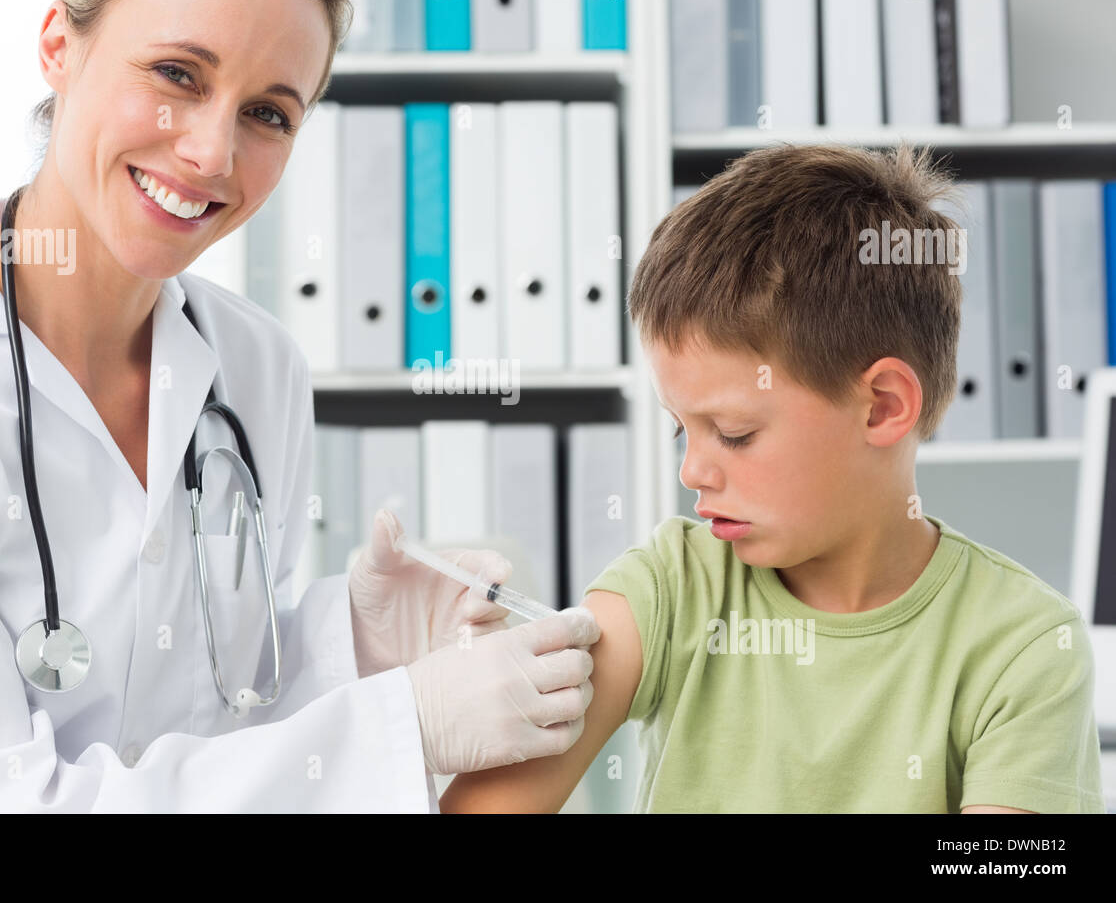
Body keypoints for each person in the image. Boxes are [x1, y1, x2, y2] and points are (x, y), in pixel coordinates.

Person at [0, 0, 598, 812]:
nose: (211, 152)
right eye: (178, 74)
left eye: (268, 112)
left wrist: (351, 648)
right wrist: (402, 729)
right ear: (57, 45)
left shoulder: (257, 372)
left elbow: (221, 736)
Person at [440, 143, 1106, 813]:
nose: (693, 470)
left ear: (882, 407)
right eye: (681, 428)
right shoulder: (673, 587)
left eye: (734, 434)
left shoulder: (1023, 644)